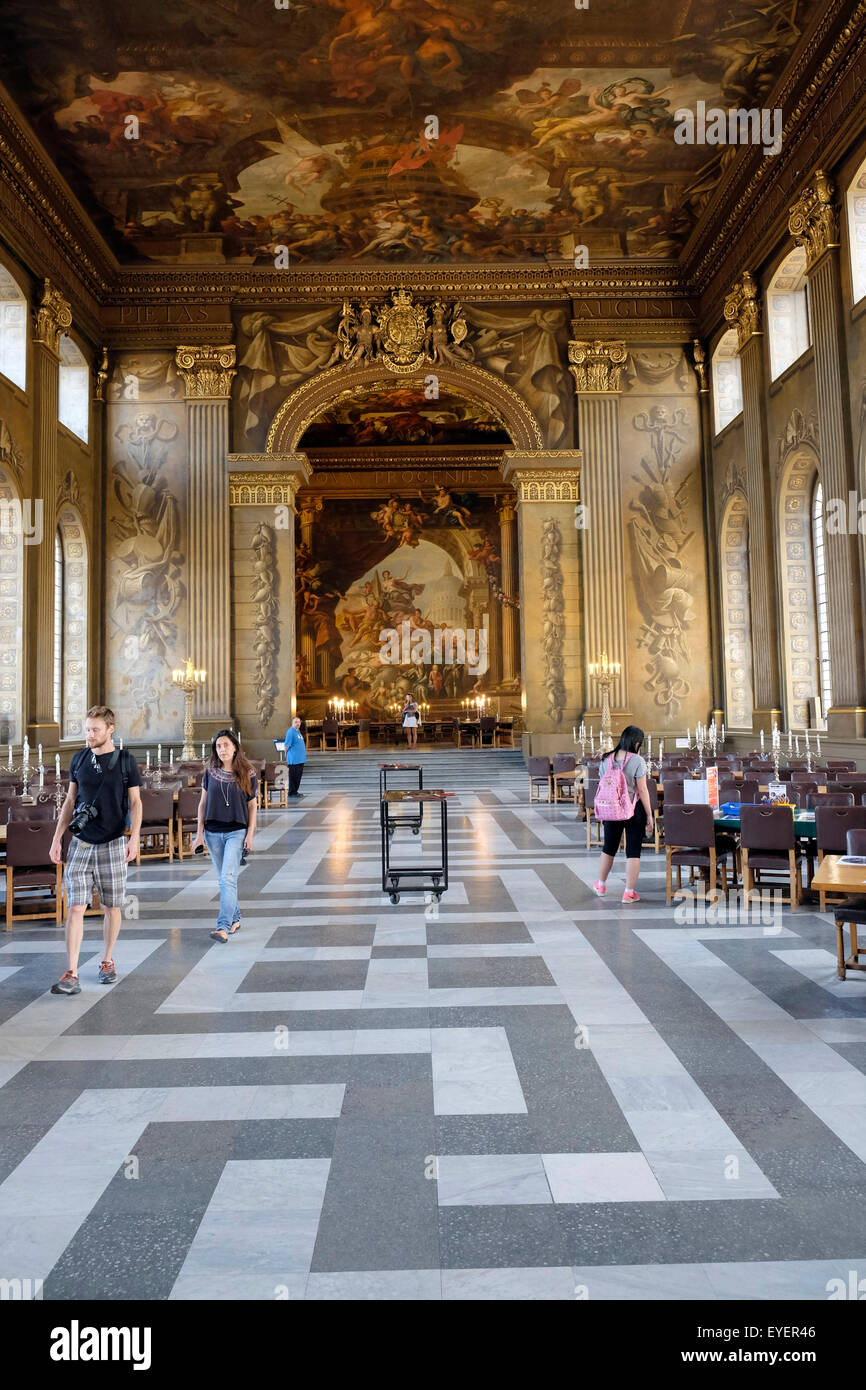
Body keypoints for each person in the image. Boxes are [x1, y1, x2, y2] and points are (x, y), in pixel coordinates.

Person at [49, 706, 142, 994]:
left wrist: (135, 838)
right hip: (81, 843)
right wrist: (57, 838)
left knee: (112, 907)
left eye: (95, 730)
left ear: (110, 729)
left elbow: (136, 803)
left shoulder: (126, 761)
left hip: (113, 842)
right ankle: (72, 972)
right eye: (87, 729)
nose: (89, 735)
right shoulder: (78, 759)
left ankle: (107, 961)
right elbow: (70, 801)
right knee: (75, 907)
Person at [191, 729, 257, 943]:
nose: (222, 749)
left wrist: (250, 835)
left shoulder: (248, 773)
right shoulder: (210, 773)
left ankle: (223, 927)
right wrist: (199, 834)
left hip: (236, 832)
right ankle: (235, 918)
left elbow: (252, 806)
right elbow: (202, 805)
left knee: (227, 879)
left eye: (226, 745)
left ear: (235, 747)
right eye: (218, 746)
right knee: (225, 880)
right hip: (212, 833)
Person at [593, 725, 654, 903]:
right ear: (637, 743)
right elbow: (642, 790)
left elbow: (602, 786)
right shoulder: (637, 760)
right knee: (633, 851)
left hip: (611, 809)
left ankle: (601, 885)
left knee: (608, 848)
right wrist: (649, 815)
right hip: (634, 810)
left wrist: (603, 811)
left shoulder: (606, 759)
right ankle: (628, 892)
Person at [284, 715, 306, 799]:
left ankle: (295, 791)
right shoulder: (290, 732)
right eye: (296, 722)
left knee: (298, 777)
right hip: (294, 760)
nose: (298, 723)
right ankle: (291, 792)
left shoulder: (298, 731)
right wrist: (286, 756)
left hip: (300, 759)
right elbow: (286, 746)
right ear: (292, 723)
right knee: (293, 777)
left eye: (299, 722)